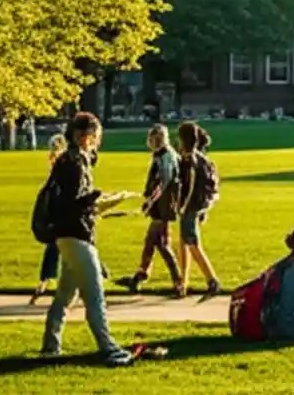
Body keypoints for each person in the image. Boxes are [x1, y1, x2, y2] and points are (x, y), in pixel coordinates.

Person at [41, 112, 133, 366]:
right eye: (84, 134)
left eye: (89, 134)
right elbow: (72, 204)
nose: (87, 139)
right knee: (94, 296)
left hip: (69, 234)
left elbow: (73, 203)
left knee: (64, 296)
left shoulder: (71, 160)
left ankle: (51, 345)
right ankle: (108, 347)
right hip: (76, 234)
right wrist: (96, 199)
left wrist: (99, 203)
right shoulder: (73, 163)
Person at [121, 125, 183, 297]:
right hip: (159, 205)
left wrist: (150, 201)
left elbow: (164, 183)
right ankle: (140, 275)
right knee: (151, 242)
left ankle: (178, 281)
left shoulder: (166, 156)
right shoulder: (161, 155)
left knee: (162, 244)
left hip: (163, 206)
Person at [176, 121, 220, 298]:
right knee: (183, 242)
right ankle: (183, 281)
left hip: (190, 206)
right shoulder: (201, 158)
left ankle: (212, 280)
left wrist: (182, 206)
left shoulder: (190, 159)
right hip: (197, 205)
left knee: (192, 243)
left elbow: (190, 185)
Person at [31, 134, 68, 305]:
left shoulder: (58, 173)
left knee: (60, 249)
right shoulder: (61, 171)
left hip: (60, 219)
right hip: (61, 219)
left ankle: (44, 282)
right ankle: (45, 281)